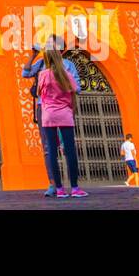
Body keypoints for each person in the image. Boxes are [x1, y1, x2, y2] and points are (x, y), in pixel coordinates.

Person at [22, 36, 81, 197]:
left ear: (60, 49)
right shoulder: (41, 65)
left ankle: (73, 185)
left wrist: (57, 85)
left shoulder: (68, 66)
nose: (47, 48)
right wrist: (33, 55)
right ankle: (54, 184)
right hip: (46, 110)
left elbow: (77, 87)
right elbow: (25, 73)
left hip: (62, 109)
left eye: (51, 45)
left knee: (67, 147)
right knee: (49, 148)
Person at [37, 46, 87, 198]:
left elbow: (40, 94)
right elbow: (74, 92)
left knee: (52, 152)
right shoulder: (66, 75)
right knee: (70, 151)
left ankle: (59, 189)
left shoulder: (43, 75)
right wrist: (70, 109)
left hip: (48, 115)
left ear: (46, 59)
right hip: (65, 114)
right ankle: (75, 188)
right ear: (59, 58)